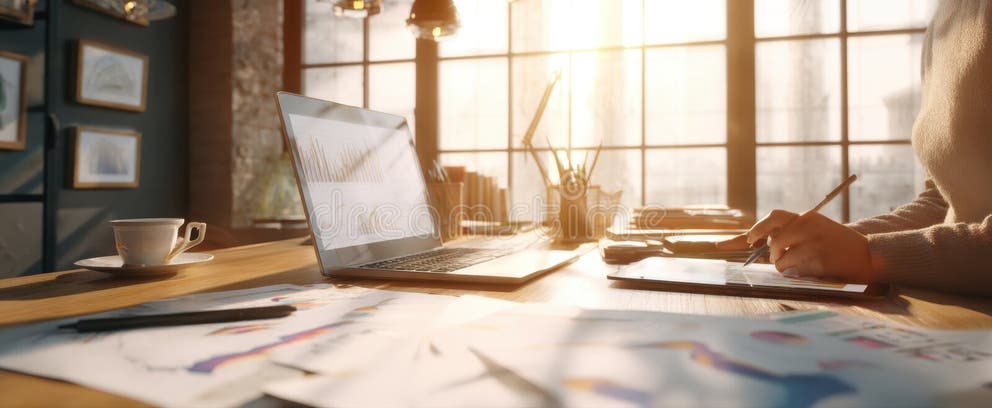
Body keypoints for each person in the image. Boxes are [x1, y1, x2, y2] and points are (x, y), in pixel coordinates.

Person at [718, 0, 992, 296]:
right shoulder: (945, 19)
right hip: (958, 307)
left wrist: (869, 255)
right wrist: (825, 243)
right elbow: (942, 203)